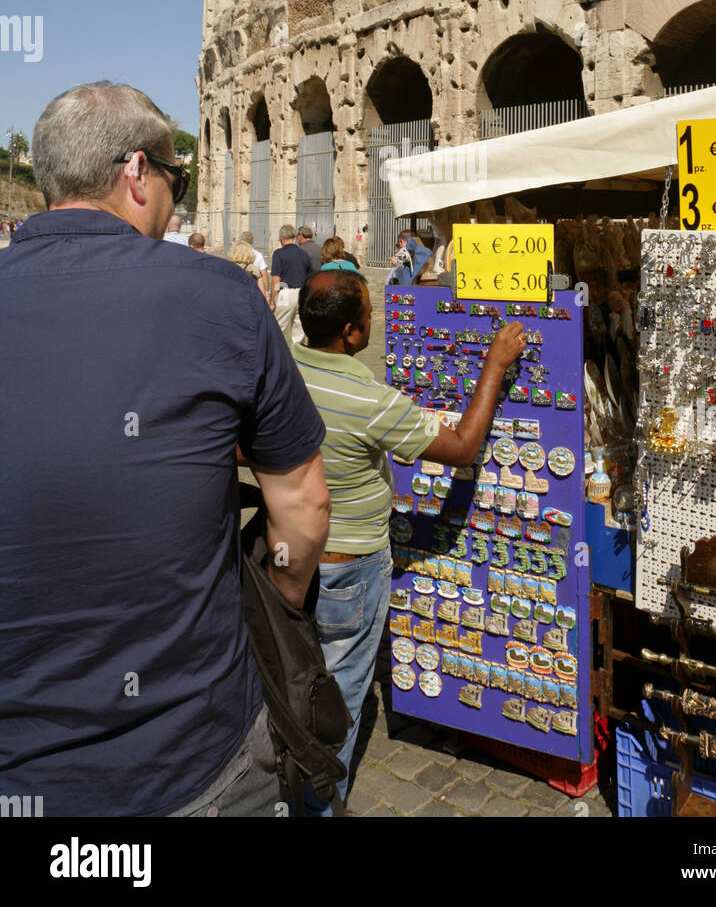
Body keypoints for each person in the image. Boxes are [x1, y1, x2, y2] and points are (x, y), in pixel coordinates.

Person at [0, 81, 331, 817]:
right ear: (137, 172)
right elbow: (304, 507)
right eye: (177, 178)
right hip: (192, 756)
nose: (176, 198)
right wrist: (272, 607)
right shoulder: (220, 298)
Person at [293, 270, 525, 813]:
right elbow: (465, 447)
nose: (374, 321)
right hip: (349, 567)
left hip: (291, 560)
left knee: (299, 679)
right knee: (342, 694)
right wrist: (493, 364)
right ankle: (320, 805)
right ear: (350, 334)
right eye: (369, 316)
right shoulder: (371, 399)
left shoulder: (281, 369)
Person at [269, 224, 313, 345]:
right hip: (301, 294)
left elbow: (276, 279)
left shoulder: (279, 254)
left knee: (277, 327)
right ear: (293, 237)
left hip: (285, 292)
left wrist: (272, 301)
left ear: (282, 237)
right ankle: (297, 358)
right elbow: (310, 277)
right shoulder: (304, 254)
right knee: (299, 331)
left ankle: (273, 354)